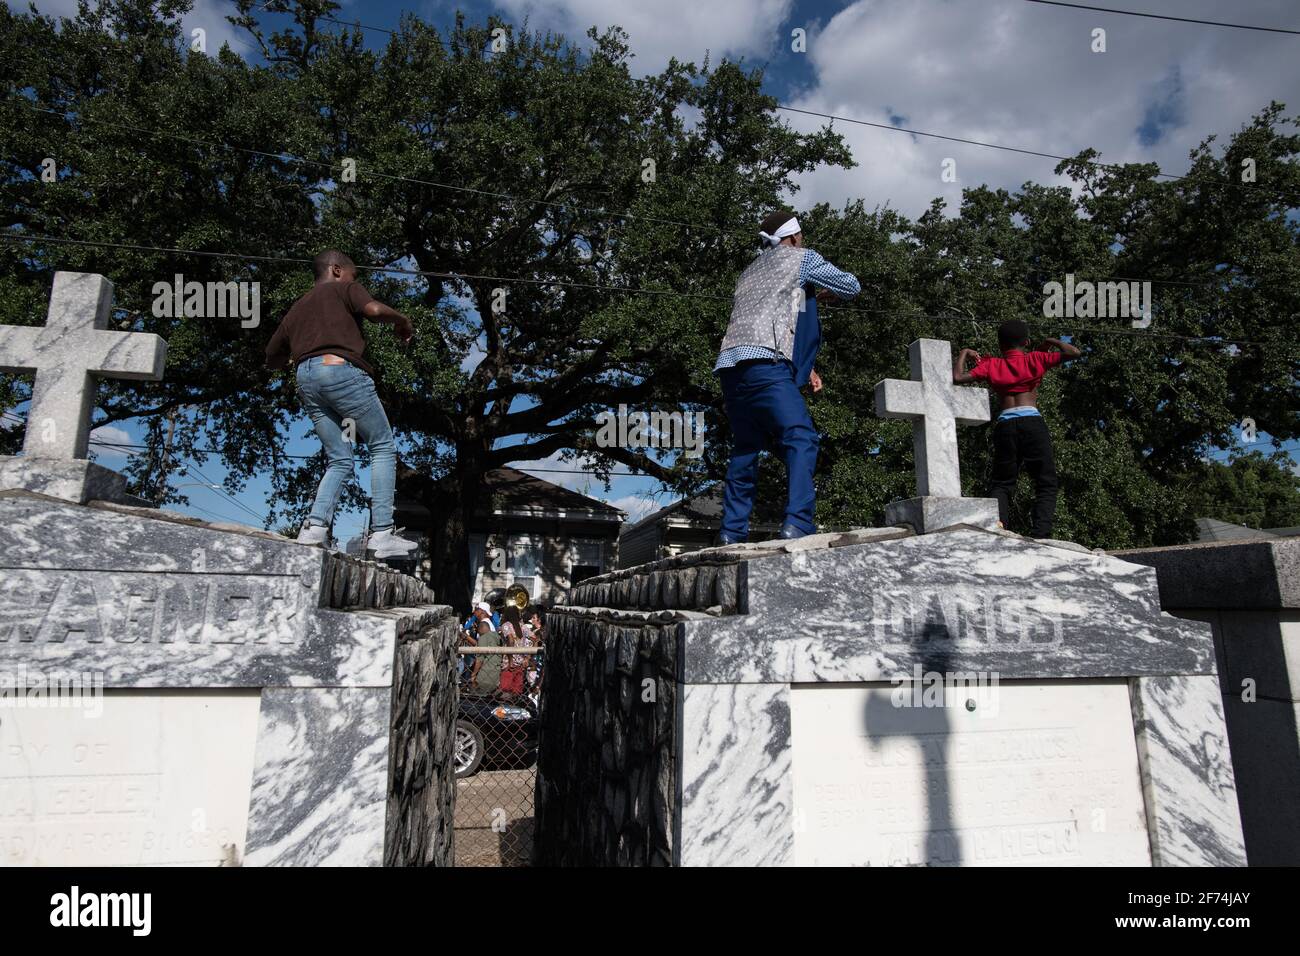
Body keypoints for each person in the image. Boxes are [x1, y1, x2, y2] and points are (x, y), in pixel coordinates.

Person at [714, 210, 861, 543]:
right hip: (767, 365)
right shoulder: (802, 257)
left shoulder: (748, 272)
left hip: (730, 367)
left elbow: (772, 311)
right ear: (794, 236)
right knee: (800, 437)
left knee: (746, 447)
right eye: (802, 236)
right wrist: (828, 289)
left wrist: (806, 365)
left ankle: (731, 532)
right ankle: (798, 522)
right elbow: (851, 286)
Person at [264, 250, 418, 560]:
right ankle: (382, 533)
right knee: (382, 446)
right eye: (353, 275)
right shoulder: (343, 288)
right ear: (337, 270)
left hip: (306, 381)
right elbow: (373, 309)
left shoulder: (297, 308)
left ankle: (315, 528)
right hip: (340, 370)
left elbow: (271, 358)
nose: (353, 280)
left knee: (340, 459)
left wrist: (304, 353)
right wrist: (403, 320)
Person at [953, 320, 1081, 538]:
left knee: (1002, 482)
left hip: (1005, 425)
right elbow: (1074, 352)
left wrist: (964, 352)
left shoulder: (992, 364)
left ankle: (998, 526)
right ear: (1027, 342)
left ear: (1001, 345)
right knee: (1045, 482)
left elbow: (957, 377)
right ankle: (1041, 534)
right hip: (1032, 423)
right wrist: (1049, 341)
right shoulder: (1036, 358)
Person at [470, 617, 502, 695]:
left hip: (485, 676)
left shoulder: (484, 637)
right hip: (496, 676)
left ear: (480, 630)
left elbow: (479, 659)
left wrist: (473, 674)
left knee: (476, 697)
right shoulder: (497, 636)